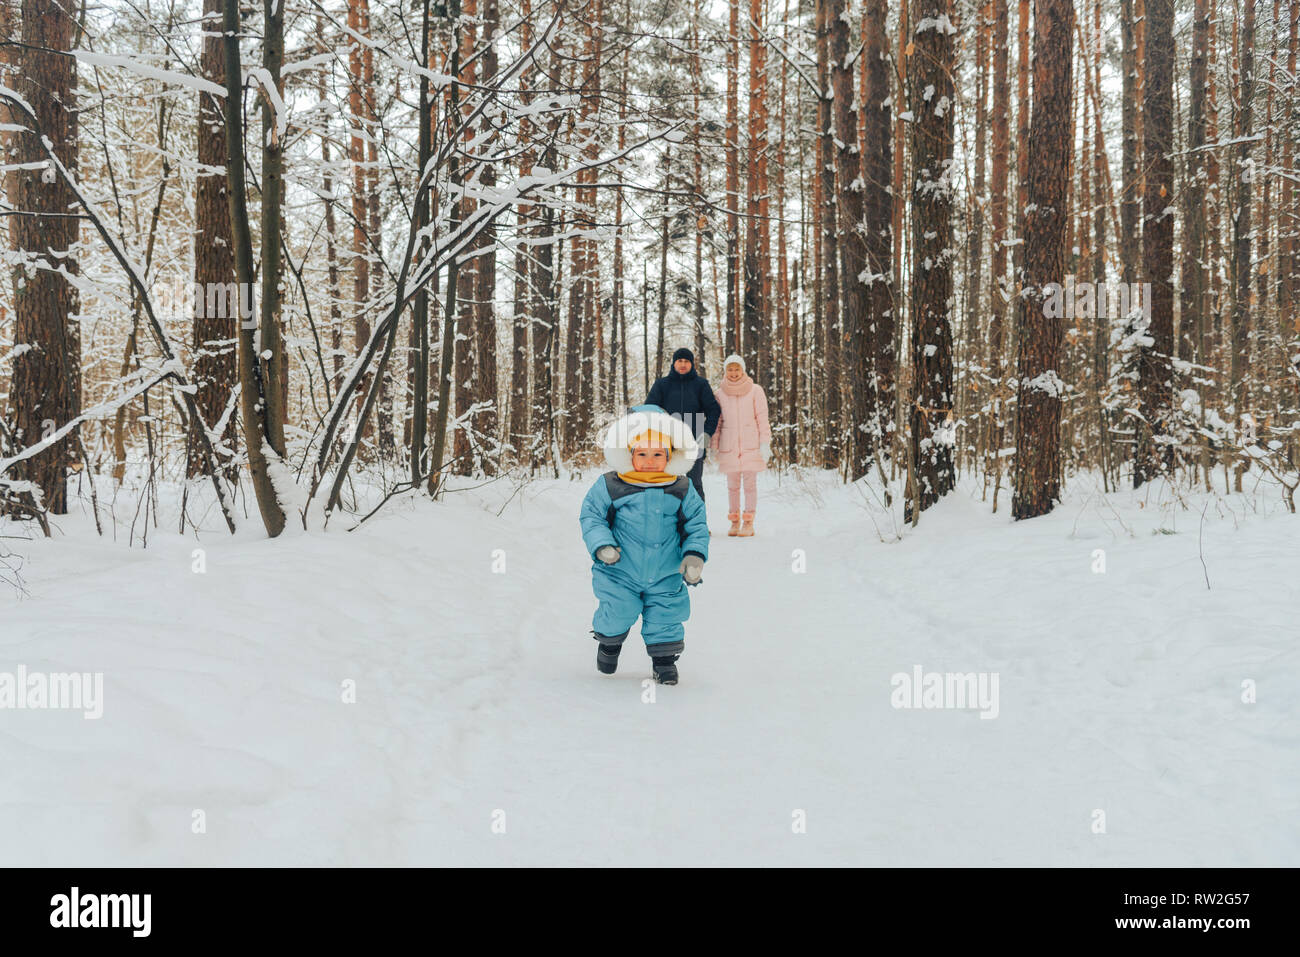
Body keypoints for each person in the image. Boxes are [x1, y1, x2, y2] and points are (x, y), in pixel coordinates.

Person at [579, 405, 709, 685]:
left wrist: (694, 556)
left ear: (670, 455)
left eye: (657, 454)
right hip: (618, 571)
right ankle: (609, 645)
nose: (650, 461)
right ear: (629, 454)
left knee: (666, 617)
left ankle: (664, 663)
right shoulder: (611, 485)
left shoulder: (681, 488)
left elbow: (696, 524)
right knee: (617, 612)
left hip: (666, 571)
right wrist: (603, 545)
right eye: (642, 454)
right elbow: (592, 516)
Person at [645, 347, 721, 504]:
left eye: (687, 361)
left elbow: (714, 410)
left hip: (694, 442)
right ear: (674, 364)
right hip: (666, 443)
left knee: (694, 485)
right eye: (680, 361)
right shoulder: (661, 385)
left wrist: (706, 434)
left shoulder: (701, 384)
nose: (683, 364)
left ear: (692, 364)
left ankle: (697, 526)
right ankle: (670, 525)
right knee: (666, 483)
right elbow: (649, 410)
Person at [711, 354, 771, 537]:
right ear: (725, 371)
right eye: (730, 369)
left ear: (743, 370)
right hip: (729, 445)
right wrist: (714, 446)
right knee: (732, 486)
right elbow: (717, 422)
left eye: (737, 369)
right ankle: (734, 521)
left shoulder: (755, 390)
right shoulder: (720, 393)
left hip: (750, 443)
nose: (734, 373)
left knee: (750, 485)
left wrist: (764, 443)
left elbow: (762, 418)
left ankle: (749, 521)